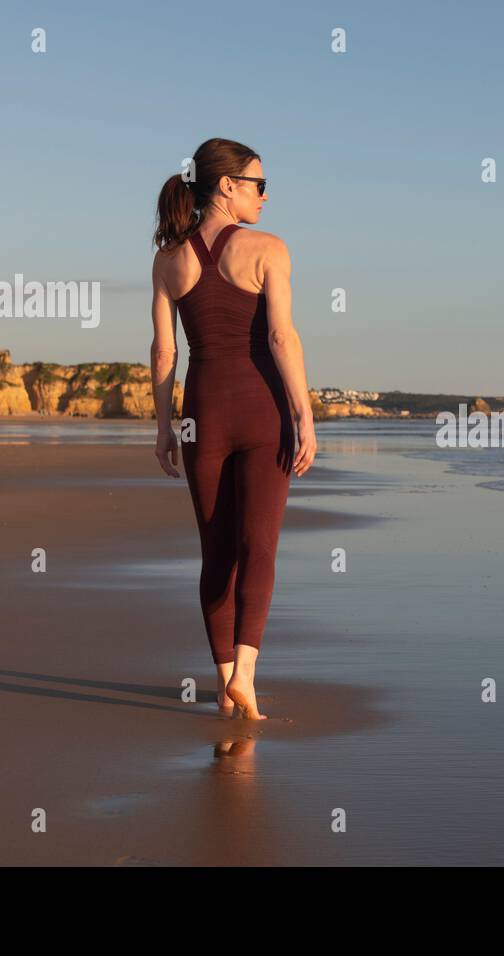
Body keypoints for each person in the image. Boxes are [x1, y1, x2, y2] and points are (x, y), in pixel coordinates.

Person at [150, 137, 316, 719]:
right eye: (259, 185)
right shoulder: (269, 249)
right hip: (262, 411)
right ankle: (246, 674)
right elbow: (280, 338)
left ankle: (225, 682)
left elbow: (165, 352)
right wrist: (303, 412)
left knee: (215, 549)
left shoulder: (169, 259)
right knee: (259, 545)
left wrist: (166, 427)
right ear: (227, 186)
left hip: (202, 416)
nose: (266, 197)